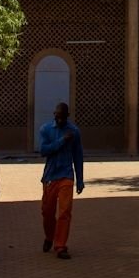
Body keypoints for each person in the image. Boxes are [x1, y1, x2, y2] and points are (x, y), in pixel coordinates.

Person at [39, 102, 84, 260]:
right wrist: (62, 141)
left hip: (66, 175)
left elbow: (78, 156)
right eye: (57, 116)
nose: (59, 120)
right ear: (54, 115)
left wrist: (80, 179)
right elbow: (43, 151)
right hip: (50, 177)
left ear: (67, 117)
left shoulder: (74, 131)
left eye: (62, 117)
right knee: (47, 212)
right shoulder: (46, 129)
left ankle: (60, 245)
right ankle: (49, 237)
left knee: (64, 211)